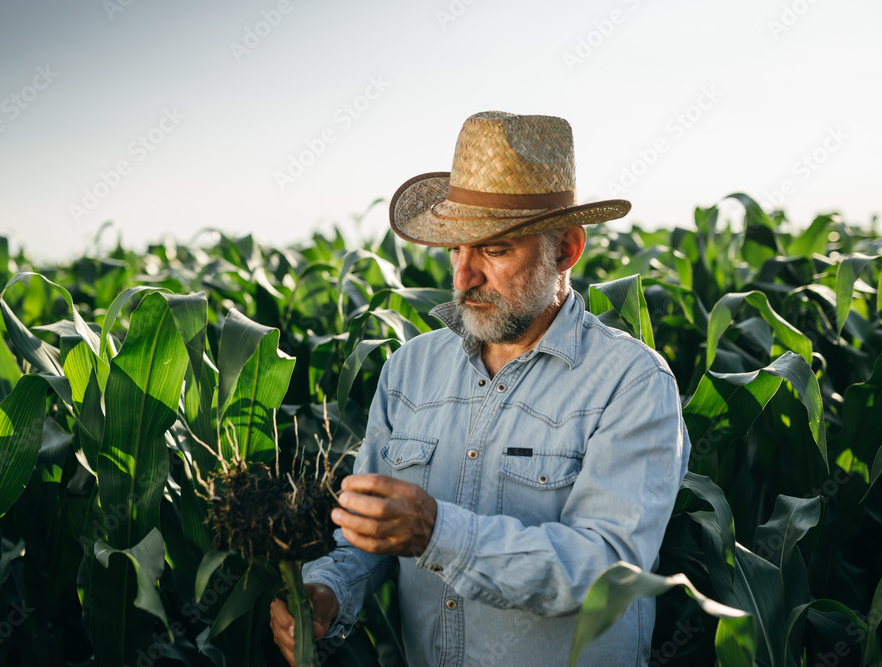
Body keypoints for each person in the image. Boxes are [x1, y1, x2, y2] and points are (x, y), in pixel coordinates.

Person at [270, 111, 691, 665]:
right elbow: (368, 537)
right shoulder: (409, 371)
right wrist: (329, 591)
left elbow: (608, 571)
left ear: (565, 249)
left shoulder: (630, 383)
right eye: (456, 249)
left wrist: (439, 533)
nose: (464, 276)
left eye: (493, 250)